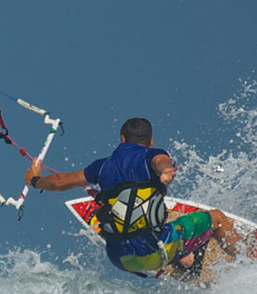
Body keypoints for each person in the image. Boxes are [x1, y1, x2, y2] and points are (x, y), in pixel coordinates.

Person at [24, 117, 243, 281]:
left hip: (120, 259)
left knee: (153, 221)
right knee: (217, 218)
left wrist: (34, 180)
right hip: (154, 250)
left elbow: (61, 181)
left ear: (122, 139)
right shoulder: (151, 156)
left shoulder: (100, 167)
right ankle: (255, 266)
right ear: (150, 141)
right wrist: (166, 170)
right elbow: (160, 160)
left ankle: (185, 259)